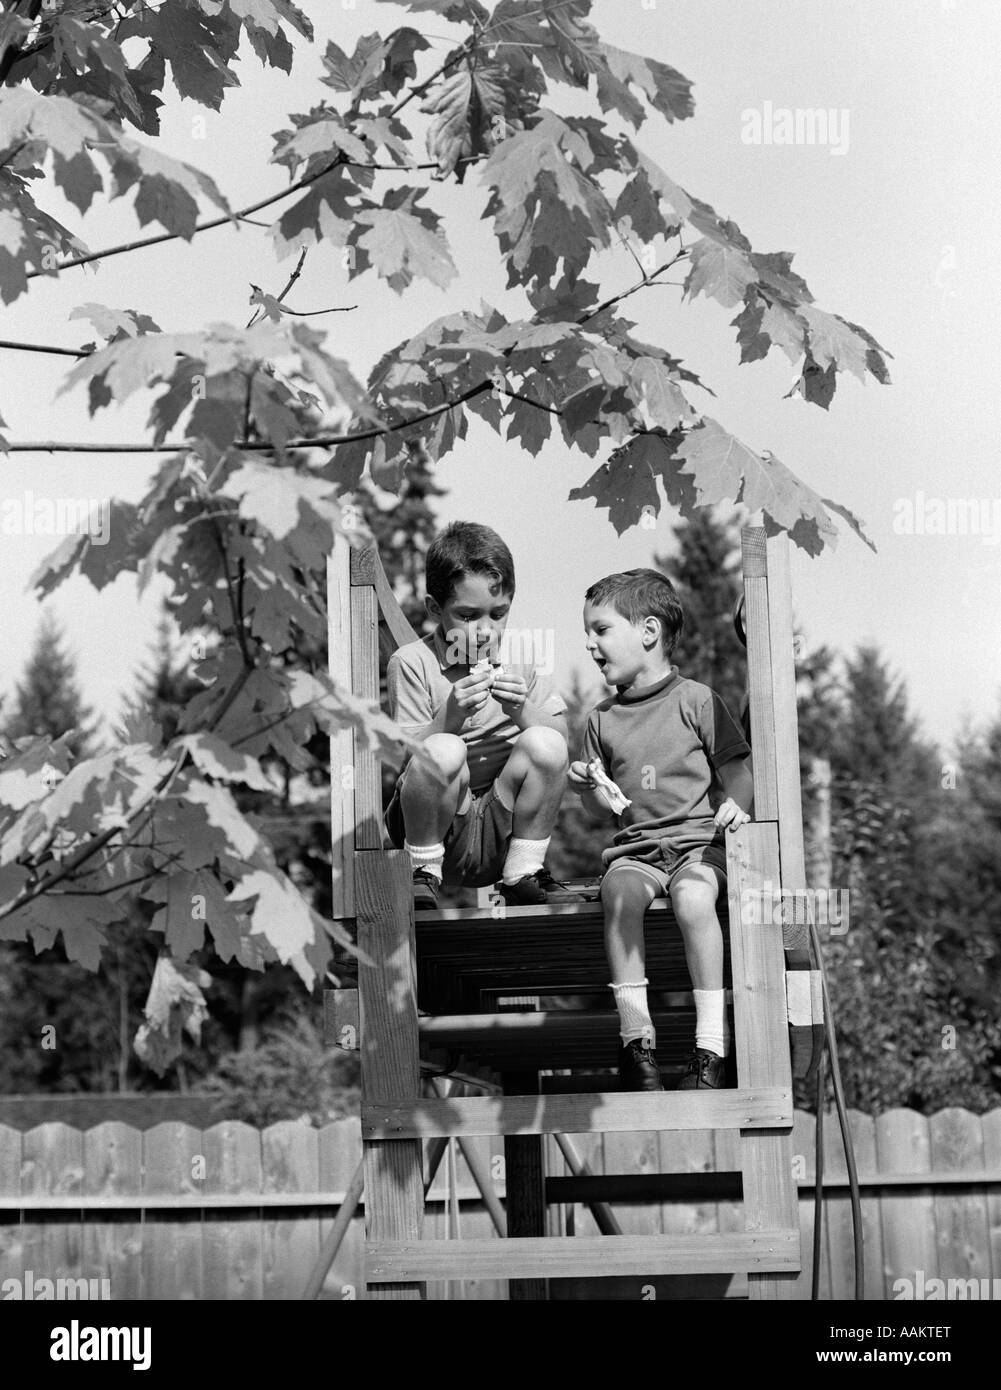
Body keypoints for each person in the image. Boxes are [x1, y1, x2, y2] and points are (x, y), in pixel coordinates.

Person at [567, 568, 752, 1091]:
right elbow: (598, 812)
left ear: (648, 632)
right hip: (638, 853)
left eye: (601, 630)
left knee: (694, 900)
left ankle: (711, 1046)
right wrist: (585, 788)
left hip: (697, 846)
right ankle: (636, 1041)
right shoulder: (601, 720)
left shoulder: (697, 701)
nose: (589, 643)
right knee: (618, 893)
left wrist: (737, 806)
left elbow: (740, 778)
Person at [385, 521, 580, 910]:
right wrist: (449, 716)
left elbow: (561, 741)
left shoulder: (523, 657)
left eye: (498, 613)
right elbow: (402, 755)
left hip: (501, 830)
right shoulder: (412, 663)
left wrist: (522, 710)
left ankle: (523, 871)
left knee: (544, 741)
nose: (485, 631)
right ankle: (421, 873)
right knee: (442, 748)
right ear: (435, 609)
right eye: (469, 616)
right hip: (432, 826)